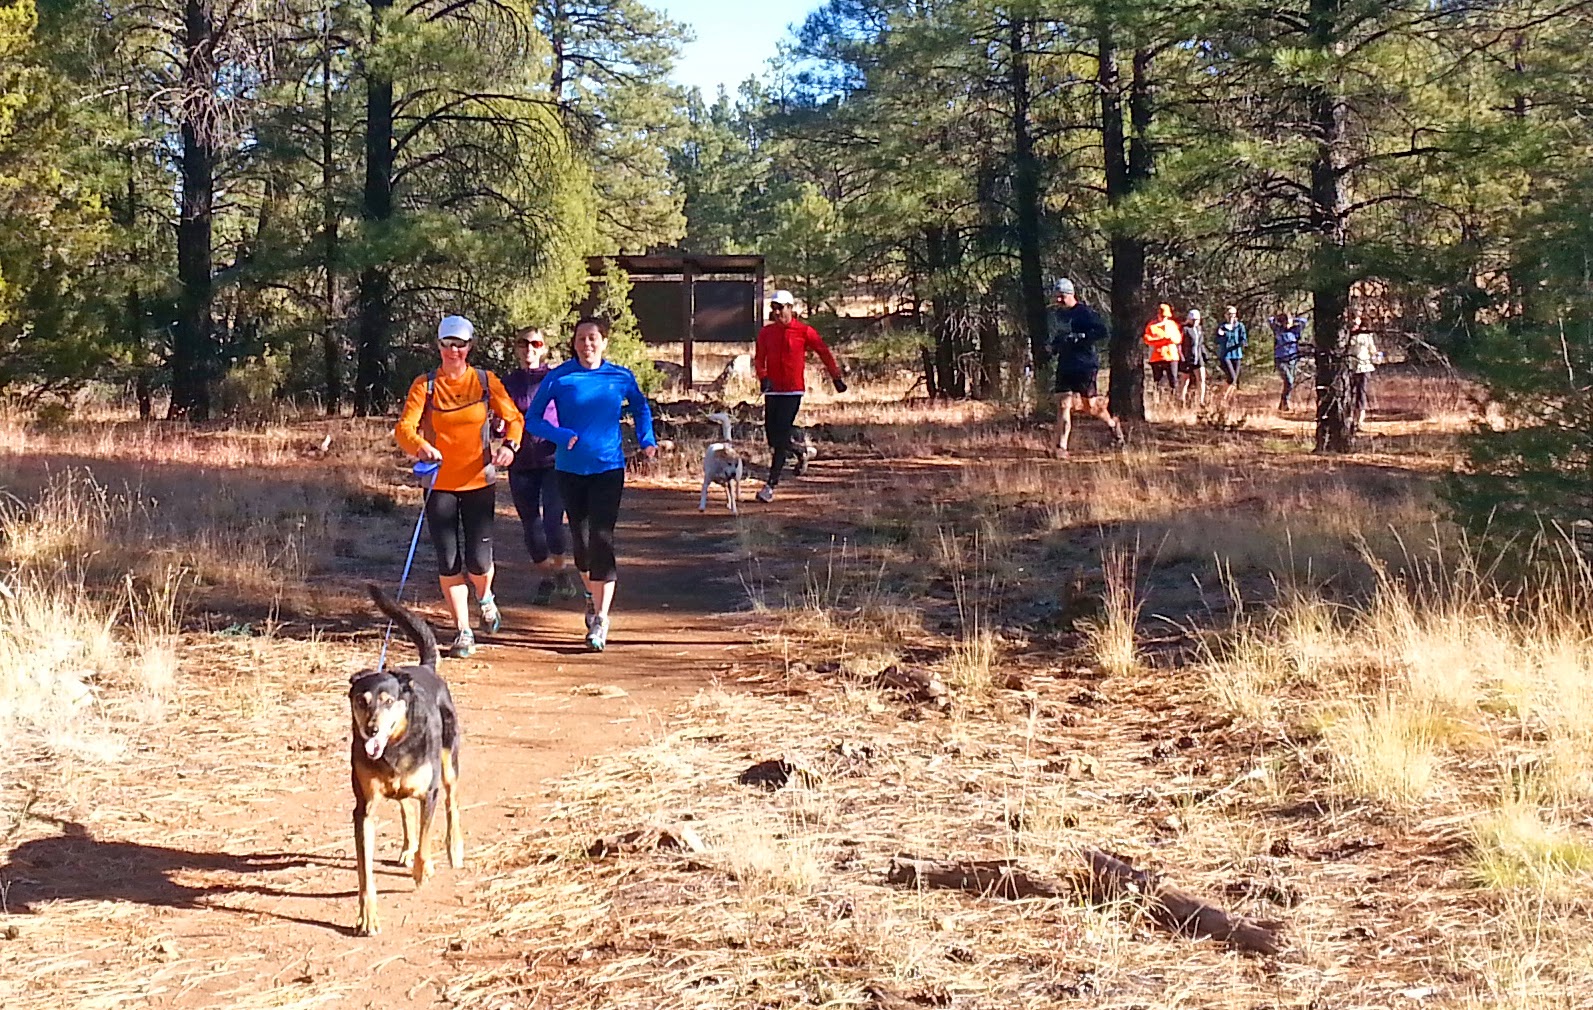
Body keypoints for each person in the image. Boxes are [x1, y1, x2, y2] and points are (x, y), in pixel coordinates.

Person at [394, 315, 524, 659]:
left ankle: (485, 598)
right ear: (437, 346)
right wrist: (419, 445)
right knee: (448, 560)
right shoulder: (426, 385)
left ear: (470, 347)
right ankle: (463, 631)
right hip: (439, 484)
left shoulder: (484, 381)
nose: (453, 351)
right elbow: (404, 428)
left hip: (479, 481)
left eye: (460, 345)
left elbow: (514, 419)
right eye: (446, 344)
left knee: (479, 562)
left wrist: (510, 447)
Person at [524, 317, 657, 652]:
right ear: (574, 342)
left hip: (608, 468)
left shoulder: (620, 376)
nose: (587, 344)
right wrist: (559, 435)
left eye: (593, 338)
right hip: (569, 471)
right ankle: (589, 592)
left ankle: (601, 618)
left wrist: (647, 440)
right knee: (581, 546)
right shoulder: (560, 377)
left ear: (604, 342)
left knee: (602, 539)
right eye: (581, 338)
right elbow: (533, 419)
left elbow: (641, 408)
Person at [753, 289, 845, 503]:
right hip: (773, 390)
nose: (776, 312)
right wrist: (763, 376)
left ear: (790, 308)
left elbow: (824, 351)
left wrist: (836, 377)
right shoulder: (766, 333)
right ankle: (801, 450)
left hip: (793, 391)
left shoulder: (804, 331)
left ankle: (769, 486)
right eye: (773, 308)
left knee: (780, 437)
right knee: (772, 437)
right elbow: (759, 358)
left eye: (780, 308)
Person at [502, 326, 572, 605]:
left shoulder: (555, 379)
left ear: (544, 348)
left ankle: (562, 570)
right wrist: (500, 430)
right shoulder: (508, 382)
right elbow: (501, 418)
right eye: (523, 343)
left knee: (553, 521)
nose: (529, 348)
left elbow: (570, 412)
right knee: (530, 523)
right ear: (516, 348)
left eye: (535, 343)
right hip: (520, 461)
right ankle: (546, 578)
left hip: (553, 459)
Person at [1048, 278, 1125, 459]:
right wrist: (1052, 347)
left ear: (1070, 294)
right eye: (1056, 297)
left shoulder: (1085, 313)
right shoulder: (1059, 316)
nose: (1058, 300)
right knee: (1063, 405)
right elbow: (1059, 338)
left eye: (1062, 297)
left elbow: (1102, 332)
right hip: (1065, 364)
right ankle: (1061, 448)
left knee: (1089, 405)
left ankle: (1113, 426)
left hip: (1085, 364)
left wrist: (1081, 337)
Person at [1349, 312, 1383, 429]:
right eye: (1352, 320)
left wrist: (1377, 356)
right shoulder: (1347, 335)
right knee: (1349, 393)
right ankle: (1349, 418)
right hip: (1350, 368)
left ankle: (1359, 421)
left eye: (1356, 320)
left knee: (1361, 393)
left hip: (1364, 367)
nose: (1354, 322)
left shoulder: (1367, 335)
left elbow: (1372, 349)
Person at [1142, 303, 1183, 396]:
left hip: (1171, 357)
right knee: (1157, 381)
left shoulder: (1173, 325)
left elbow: (1177, 339)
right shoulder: (1151, 326)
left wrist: (1160, 340)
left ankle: (1173, 401)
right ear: (1158, 314)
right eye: (1162, 315)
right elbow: (1147, 339)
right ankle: (1158, 401)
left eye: (1166, 316)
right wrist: (1165, 339)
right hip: (1156, 358)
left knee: (1173, 380)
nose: (1164, 318)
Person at [1269, 310, 1307, 411]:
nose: (1287, 325)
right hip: (1280, 359)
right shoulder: (1278, 330)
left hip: (1292, 359)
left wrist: (1293, 319)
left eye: (1288, 322)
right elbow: (1270, 320)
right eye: (1285, 322)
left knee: (1289, 383)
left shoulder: (1295, 330)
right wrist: (1278, 317)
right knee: (1289, 380)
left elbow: (1304, 321)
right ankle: (1284, 401)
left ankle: (1283, 403)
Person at [1214, 306, 1248, 399]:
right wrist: (1223, 335)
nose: (1231, 316)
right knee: (1232, 377)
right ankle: (1223, 397)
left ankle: (1225, 398)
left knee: (1233, 380)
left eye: (1233, 314)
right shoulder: (1222, 327)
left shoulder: (1239, 326)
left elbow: (1243, 338)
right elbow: (1216, 340)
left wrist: (1243, 343)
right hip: (1225, 355)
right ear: (1225, 315)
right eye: (1229, 314)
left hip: (1237, 355)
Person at [1177, 308, 1208, 407]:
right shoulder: (1184, 329)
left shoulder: (1199, 329)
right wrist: (1181, 356)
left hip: (1198, 358)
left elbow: (1201, 343)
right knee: (1185, 380)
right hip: (1186, 358)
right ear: (1189, 319)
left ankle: (1201, 401)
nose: (1195, 322)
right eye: (1193, 320)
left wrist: (1204, 354)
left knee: (1201, 379)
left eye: (1197, 320)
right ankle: (1181, 400)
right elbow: (1179, 344)